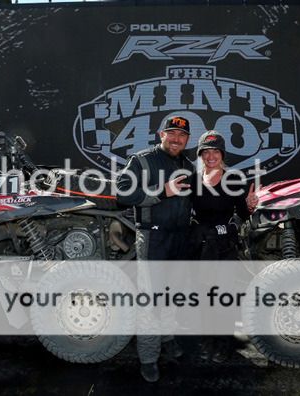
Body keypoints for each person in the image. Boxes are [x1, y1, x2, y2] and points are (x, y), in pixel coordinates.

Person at [116, 116, 194, 383]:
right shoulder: (142, 160)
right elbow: (122, 194)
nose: (176, 139)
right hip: (153, 238)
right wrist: (162, 191)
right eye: (171, 133)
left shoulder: (187, 164)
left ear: (187, 139)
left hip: (179, 239)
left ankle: (167, 338)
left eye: (182, 135)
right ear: (161, 134)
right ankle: (148, 358)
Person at [189, 130, 258, 362]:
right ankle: (207, 341)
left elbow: (243, 214)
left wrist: (249, 206)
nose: (211, 156)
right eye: (206, 152)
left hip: (225, 246)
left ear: (222, 154)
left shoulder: (234, 179)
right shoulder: (193, 180)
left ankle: (224, 343)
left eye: (215, 152)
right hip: (201, 247)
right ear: (200, 155)